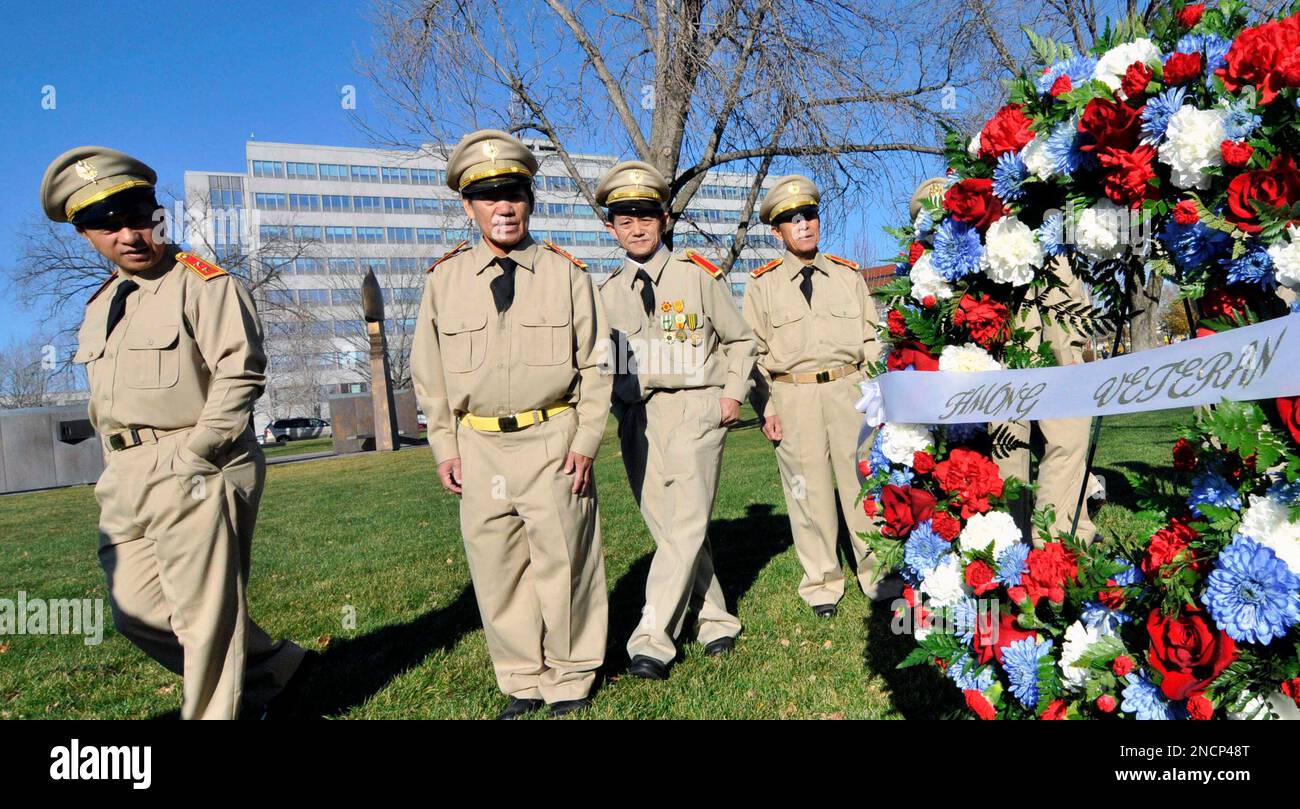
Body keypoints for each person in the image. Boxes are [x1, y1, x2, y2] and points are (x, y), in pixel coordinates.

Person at [43, 145, 310, 720]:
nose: (129, 235)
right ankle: (278, 668)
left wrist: (195, 455)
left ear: (157, 213)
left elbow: (241, 372)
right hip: (125, 475)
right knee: (135, 610)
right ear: (85, 234)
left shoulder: (203, 284)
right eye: (106, 226)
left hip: (194, 460)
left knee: (202, 613)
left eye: (138, 217)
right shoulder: (100, 306)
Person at [411, 130, 612, 718]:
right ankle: (523, 676)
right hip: (479, 445)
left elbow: (598, 365)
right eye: (489, 195)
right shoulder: (443, 281)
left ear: (531, 198)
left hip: (553, 438)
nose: (504, 206)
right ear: (467, 205)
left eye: (515, 193)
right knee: (498, 568)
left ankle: (571, 673)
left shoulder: (567, 275)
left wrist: (586, 439)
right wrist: (445, 448)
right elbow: (432, 378)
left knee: (564, 560)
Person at [594, 160, 756, 680]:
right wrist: (617, 408)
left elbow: (741, 339)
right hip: (637, 421)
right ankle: (715, 619)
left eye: (645, 215)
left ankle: (652, 639)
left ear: (663, 219)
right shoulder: (606, 293)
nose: (636, 227)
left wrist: (731, 396)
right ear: (612, 227)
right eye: (624, 218)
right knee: (671, 529)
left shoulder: (696, 275)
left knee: (684, 523)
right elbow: (602, 362)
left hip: (694, 409)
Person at [744, 174, 899, 619]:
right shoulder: (762, 285)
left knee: (863, 484)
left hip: (850, 391)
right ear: (778, 232)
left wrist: (877, 390)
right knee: (806, 492)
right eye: (792, 220)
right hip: (794, 396)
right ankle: (822, 582)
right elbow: (752, 354)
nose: (804, 224)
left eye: (809, 214)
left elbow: (873, 339)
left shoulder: (848, 275)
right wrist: (767, 407)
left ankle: (878, 574)